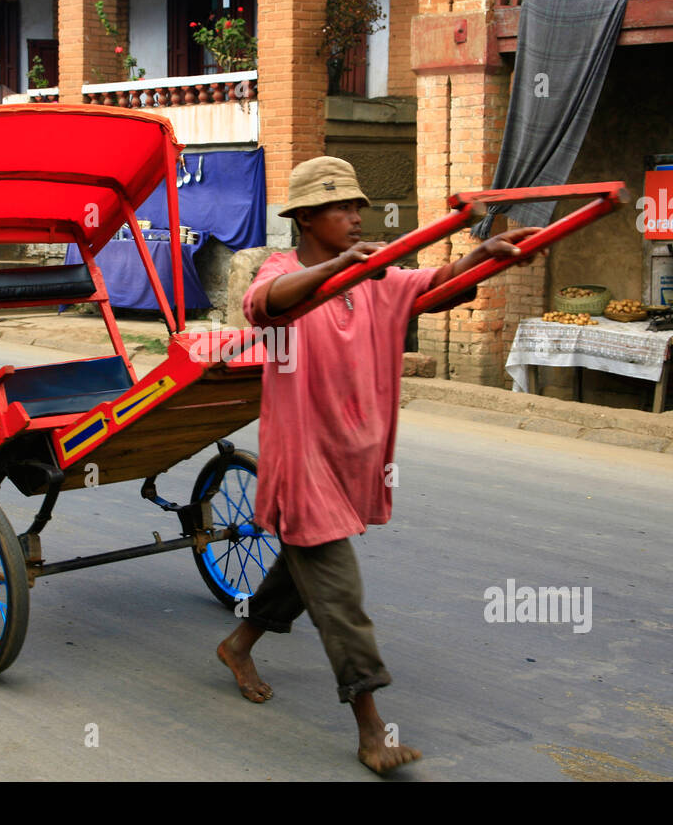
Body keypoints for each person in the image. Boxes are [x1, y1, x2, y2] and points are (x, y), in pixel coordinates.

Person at [215, 156, 540, 775]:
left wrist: (487, 254)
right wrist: (337, 269)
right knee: (339, 593)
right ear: (306, 217)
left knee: (303, 567)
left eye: (359, 206)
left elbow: (436, 284)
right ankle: (370, 729)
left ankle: (238, 644)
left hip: (352, 459)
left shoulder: (374, 279)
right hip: (302, 460)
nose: (357, 215)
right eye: (343, 206)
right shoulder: (285, 272)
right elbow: (263, 304)